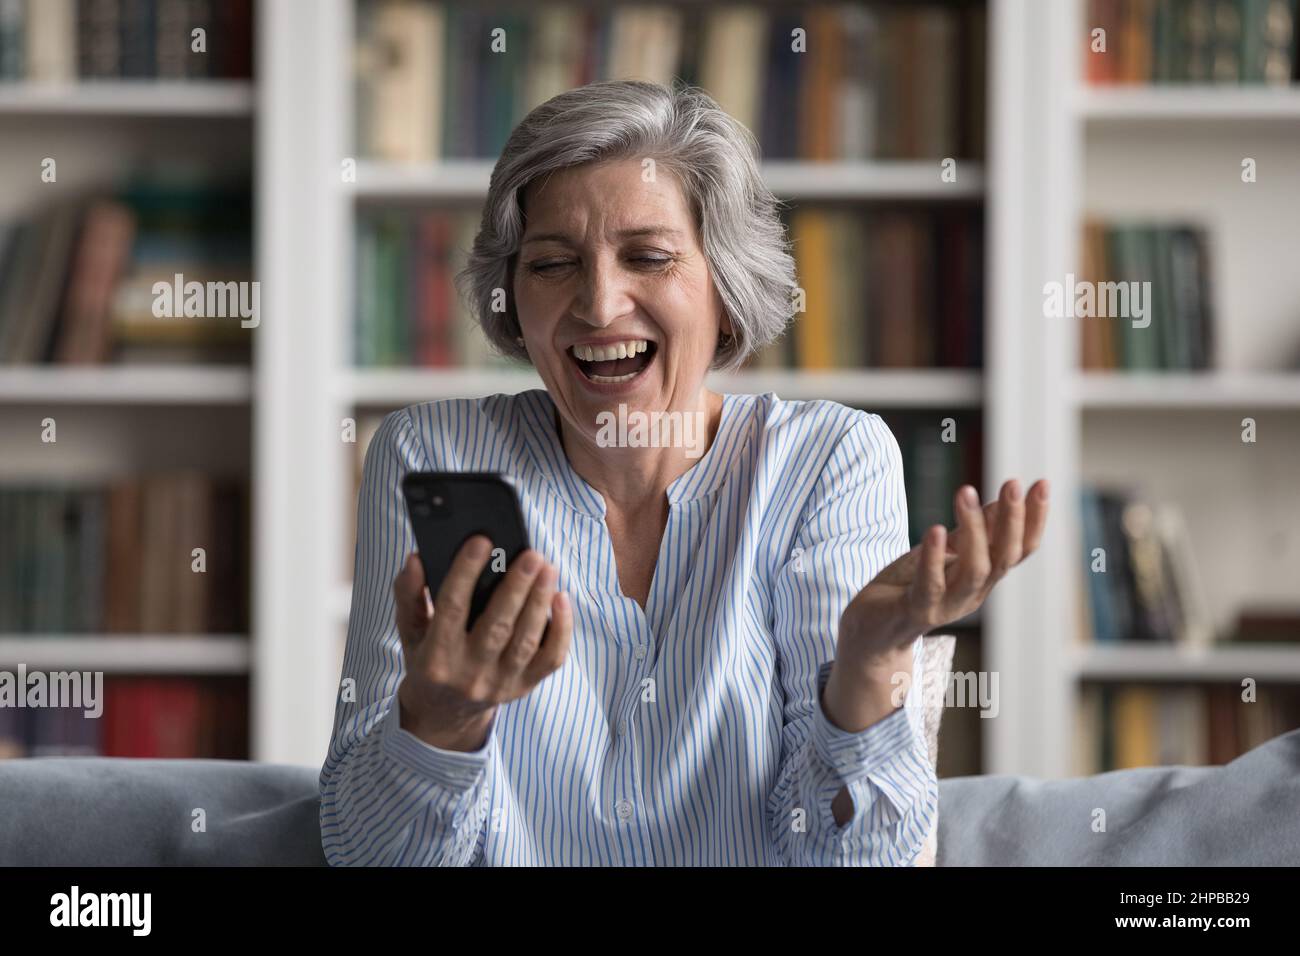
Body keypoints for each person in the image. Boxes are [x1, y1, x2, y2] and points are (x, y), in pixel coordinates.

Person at [320, 80, 1048, 865]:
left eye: (648, 257)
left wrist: (868, 667)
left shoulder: (829, 461)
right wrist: (440, 724)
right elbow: (363, 857)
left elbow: (856, 858)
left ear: (727, 292)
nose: (599, 305)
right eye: (553, 263)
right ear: (513, 302)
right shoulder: (432, 455)